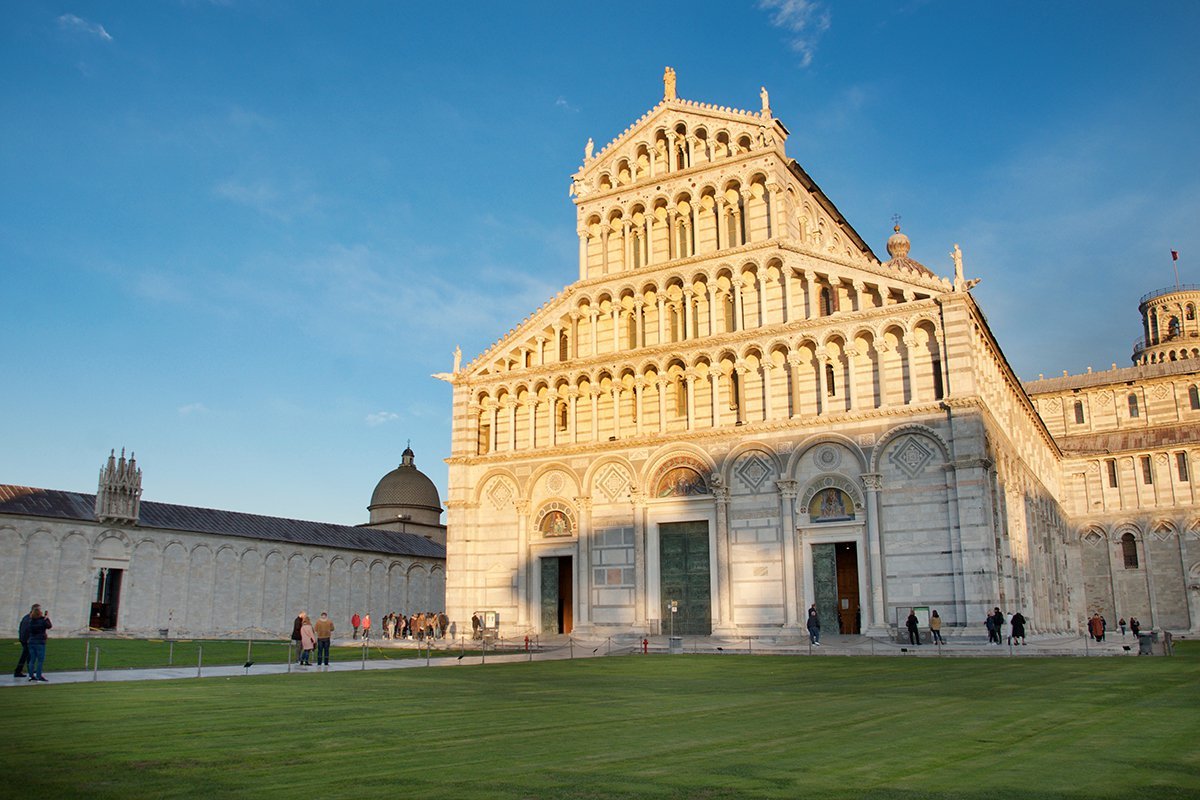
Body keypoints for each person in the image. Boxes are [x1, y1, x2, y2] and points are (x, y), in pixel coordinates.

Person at [26, 606, 51, 682]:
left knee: (32, 659)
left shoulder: (31, 621)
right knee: (40, 660)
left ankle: (31, 676)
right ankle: (39, 676)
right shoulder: (42, 621)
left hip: (31, 641)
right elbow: (49, 626)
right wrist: (47, 618)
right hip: (40, 642)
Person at [13, 604, 36, 678]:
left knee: (28, 655)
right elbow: (27, 630)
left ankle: (30, 669)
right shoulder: (29, 619)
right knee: (25, 656)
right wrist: (28, 639)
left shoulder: (26, 617)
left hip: (25, 639)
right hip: (26, 640)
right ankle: (18, 671)